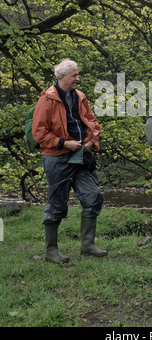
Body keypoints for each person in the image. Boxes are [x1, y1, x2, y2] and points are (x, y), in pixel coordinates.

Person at [32, 59, 107, 263]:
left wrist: (92, 140)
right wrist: (64, 143)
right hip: (57, 158)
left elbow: (92, 122)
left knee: (93, 197)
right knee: (57, 205)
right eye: (74, 75)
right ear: (62, 76)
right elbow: (39, 133)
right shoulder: (46, 100)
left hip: (81, 155)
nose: (78, 78)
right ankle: (51, 251)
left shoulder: (80, 97)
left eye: (77, 74)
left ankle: (88, 246)